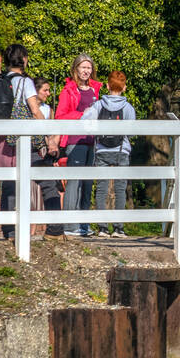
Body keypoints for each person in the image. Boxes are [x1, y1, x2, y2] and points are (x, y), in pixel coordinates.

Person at [0, 44, 45, 240]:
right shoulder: (24, 81)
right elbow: (34, 110)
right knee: (20, 183)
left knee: (7, 183)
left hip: (3, 137)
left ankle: (8, 228)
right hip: (18, 138)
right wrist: (46, 130)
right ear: (24, 60)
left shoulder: (0, 79)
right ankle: (17, 229)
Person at [81, 71, 136, 238]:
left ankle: (102, 228)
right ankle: (118, 228)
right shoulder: (128, 107)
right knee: (120, 189)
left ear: (107, 86)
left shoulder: (98, 105)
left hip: (102, 150)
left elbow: (85, 123)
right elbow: (132, 132)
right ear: (124, 88)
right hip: (121, 150)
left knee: (101, 188)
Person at [55, 54, 102, 237]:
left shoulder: (95, 90)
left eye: (89, 68)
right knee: (74, 182)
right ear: (76, 69)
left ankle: (84, 224)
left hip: (92, 141)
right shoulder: (68, 90)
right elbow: (60, 116)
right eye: (83, 67)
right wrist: (82, 115)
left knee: (87, 183)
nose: (86, 71)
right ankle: (70, 224)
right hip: (75, 141)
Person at [31, 78, 65, 239]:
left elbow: (54, 130)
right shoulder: (27, 108)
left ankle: (55, 229)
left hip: (45, 153)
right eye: (45, 90)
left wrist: (54, 145)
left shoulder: (48, 109)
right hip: (31, 150)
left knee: (51, 187)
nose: (48, 93)